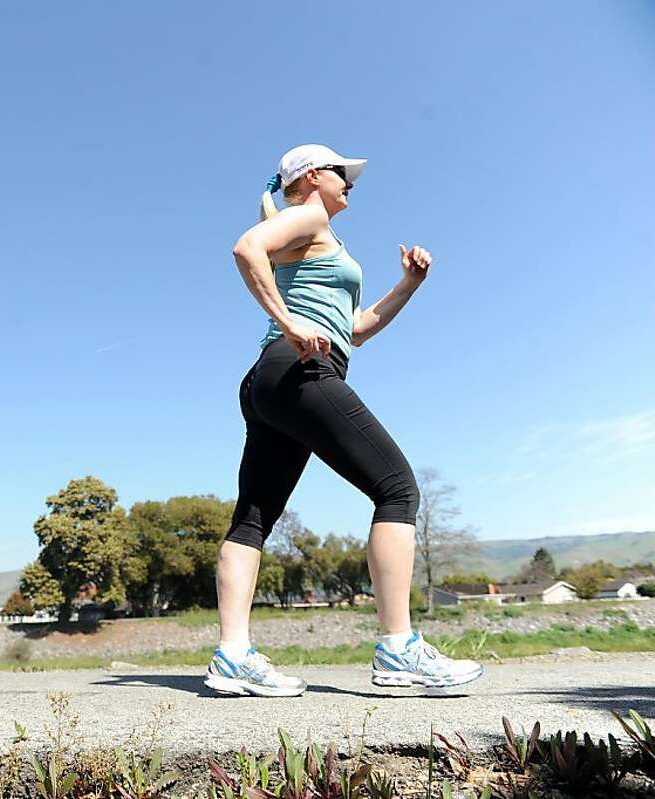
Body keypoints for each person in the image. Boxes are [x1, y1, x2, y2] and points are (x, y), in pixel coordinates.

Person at [205, 144, 483, 697]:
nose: (350, 182)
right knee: (398, 490)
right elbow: (245, 248)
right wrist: (286, 323)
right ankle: (399, 648)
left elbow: (354, 328)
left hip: (271, 381)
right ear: (313, 178)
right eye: (342, 173)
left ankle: (233, 655)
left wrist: (407, 285)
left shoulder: (317, 234)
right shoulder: (309, 216)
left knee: (253, 518)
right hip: (300, 370)